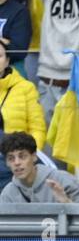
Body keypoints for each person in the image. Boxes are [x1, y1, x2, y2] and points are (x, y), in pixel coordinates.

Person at [0, 38, 43, 195]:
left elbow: (37, 127)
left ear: (7, 61)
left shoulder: (26, 88)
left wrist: (28, 156)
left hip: (16, 158)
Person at [0, 129, 79, 202]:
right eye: (11, 158)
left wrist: (66, 203)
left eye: (22, 156)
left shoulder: (61, 179)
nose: (17, 163)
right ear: (7, 163)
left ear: (34, 157)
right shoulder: (8, 194)